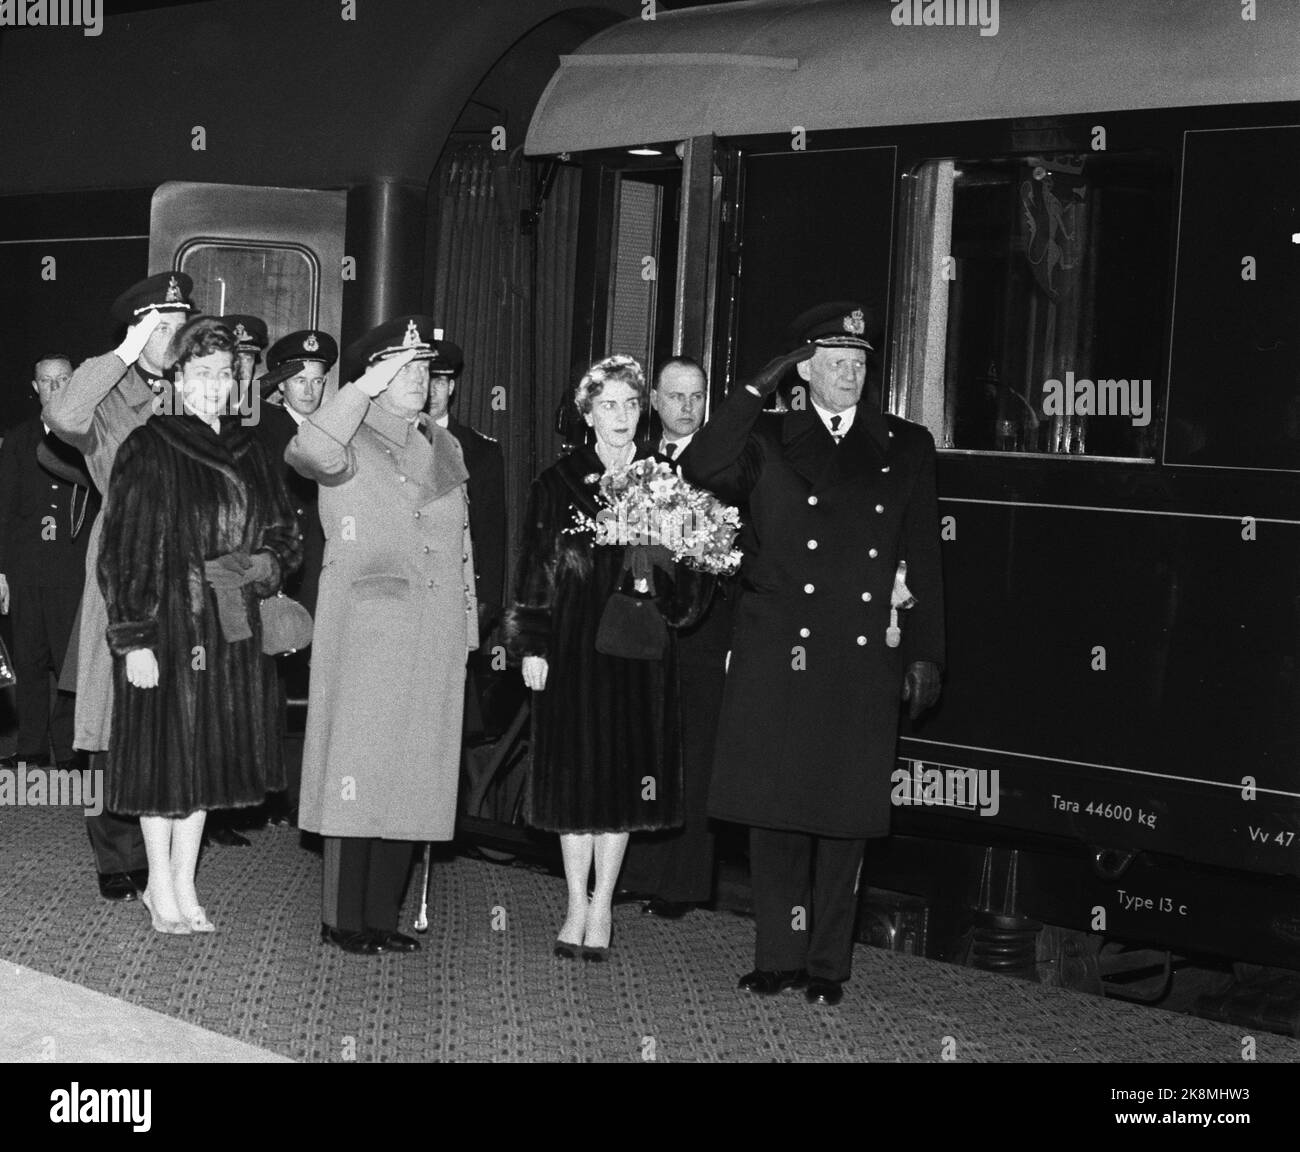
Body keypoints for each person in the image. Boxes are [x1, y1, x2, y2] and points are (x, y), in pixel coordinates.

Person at [683, 302, 945, 1007]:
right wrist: (756, 386)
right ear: (805, 370)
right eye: (836, 363)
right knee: (774, 814)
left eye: (860, 364)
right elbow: (701, 466)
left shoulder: (905, 444)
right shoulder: (767, 438)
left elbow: (923, 554)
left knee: (843, 819)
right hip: (777, 647)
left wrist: (926, 654)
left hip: (860, 658)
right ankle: (777, 957)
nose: (851, 375)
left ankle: (828, 966)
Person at [97, 316, 301, 934]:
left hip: (231, 631)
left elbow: (286, 539)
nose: (214, 384)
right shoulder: (149, 446)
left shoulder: (254, 452)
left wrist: (257, 565)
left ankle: (186, 884)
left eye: (225, 372)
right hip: (166, 632)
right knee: (165, 765)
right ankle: (159, 885)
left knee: (205, 765)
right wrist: (133, 639)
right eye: (201, 372)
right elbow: (121, 552)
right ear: (177, 378)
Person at [504, 354, 706, 961]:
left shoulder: (663, 481)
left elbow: (693, 585)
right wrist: (531, 645)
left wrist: (667, 575)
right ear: (586, 413)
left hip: (637, 652)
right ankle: (572, 903)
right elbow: (534, 570)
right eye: (607, 405)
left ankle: (602, 907)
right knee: (574, 781)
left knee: (620, 779)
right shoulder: (556, 481)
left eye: (629, 404)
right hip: (569, 648)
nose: (620, 416)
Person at [287, 315, 477, 956]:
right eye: (405, 367)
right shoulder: (345, 437)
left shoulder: (445, 448)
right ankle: (343, 917)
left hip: (435, 629)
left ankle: (382, 915)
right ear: (375, 374)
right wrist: (361, 390)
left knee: (415, 772)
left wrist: (468, 627)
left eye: (426, 369)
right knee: (358, 767)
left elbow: (461, 546)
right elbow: (307, 452)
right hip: (370, 628)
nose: (420, 379)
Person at [44, 272, 195, 902]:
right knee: (113, 719)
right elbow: (62, 415)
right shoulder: (106, 394)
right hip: (126, 562)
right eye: (161, 326)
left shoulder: (195, 388)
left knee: (176, 715)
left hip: (187, 566)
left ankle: (169, 856)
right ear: (137, 328)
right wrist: (124, 354)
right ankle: (117, 856)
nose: (173, 337)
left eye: (178, 325)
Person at [620, 356, 731, 917]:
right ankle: (635, 872)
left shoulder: (727, 464)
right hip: (638, 632)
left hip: (702, 636)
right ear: (655, 403)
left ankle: (683, 885)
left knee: (693, 757)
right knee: (642, 749)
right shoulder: (633, 462)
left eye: (698, 396)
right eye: (677, 397)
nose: (688, 407)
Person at [249, 328, 337, 826]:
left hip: (324, 574)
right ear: (280, 384)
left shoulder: (334, 430)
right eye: (299, 380)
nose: (309, 389)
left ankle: (309, 796)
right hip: (277, 575)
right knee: (270, 688)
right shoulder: (261, 430)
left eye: (318, 379)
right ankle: (268, 793)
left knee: (317, 687)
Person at [0, 355, 98, 772]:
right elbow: (4, 509)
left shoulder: (92, 437)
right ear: (35, 387)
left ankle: (71, 749)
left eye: (63, 379)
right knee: (28, 661)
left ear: (75, 383)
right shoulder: (19, 440)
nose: (55, 386)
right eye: (47, 380)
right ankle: (31, 747)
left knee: (70, 664)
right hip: (25, 572)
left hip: (74, 571)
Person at [421, 334, 506, 734]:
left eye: (441, 381)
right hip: (403, 599)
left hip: (456, 605)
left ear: (452, 386)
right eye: (425, 378)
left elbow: (491, 539)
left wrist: (482, 610)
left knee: (447, 726)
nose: (431, 390)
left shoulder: (481, 451)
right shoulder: (385, 442)